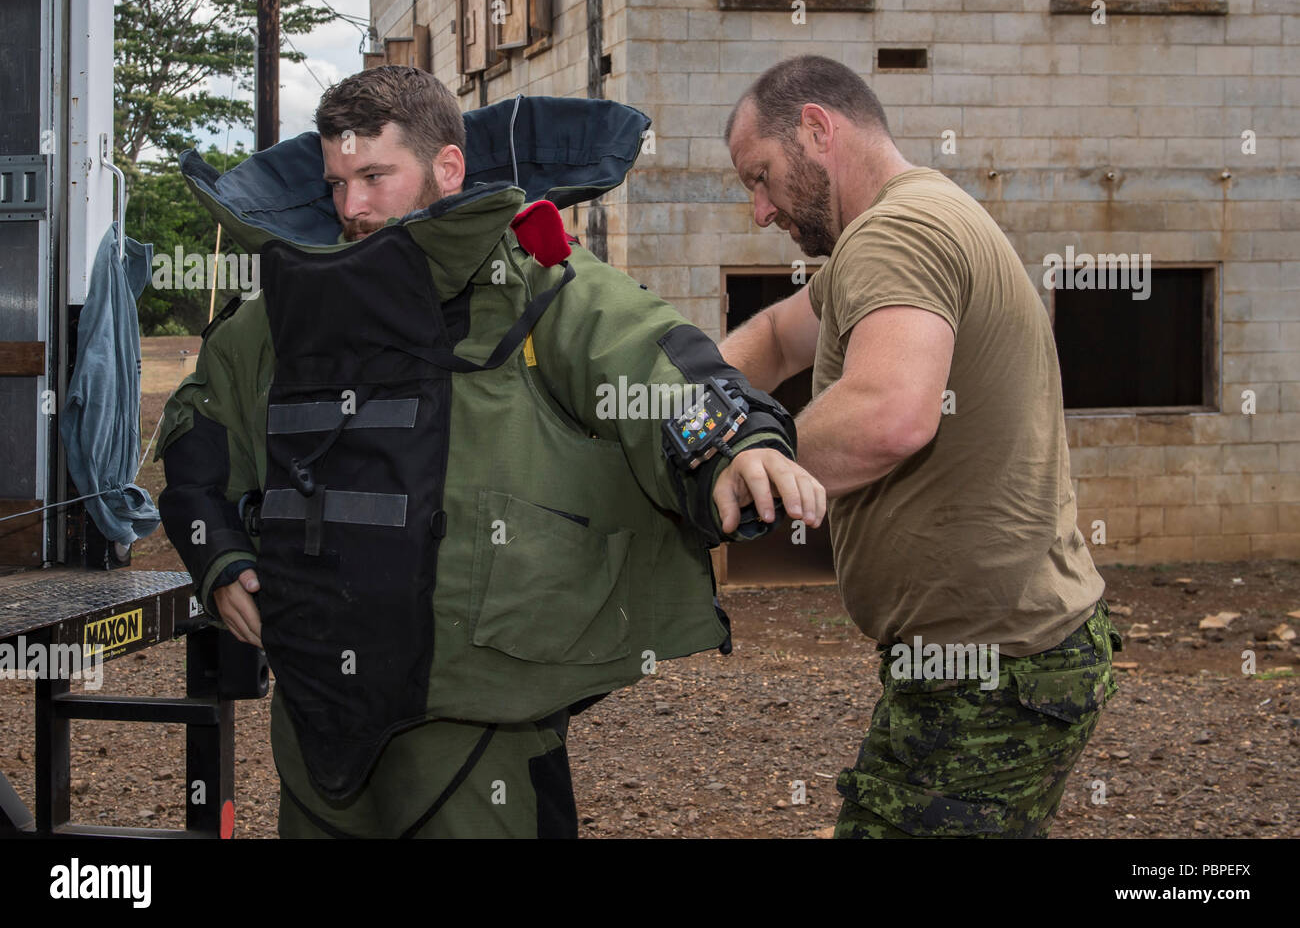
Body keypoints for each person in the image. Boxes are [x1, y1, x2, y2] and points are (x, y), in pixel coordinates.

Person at [156, 65, 826, 838]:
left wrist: (736, 443)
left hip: (480, 722)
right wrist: (219, 559)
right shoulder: (282, 309)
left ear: (447, 168)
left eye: (376, 175)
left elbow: (646, 356)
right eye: (338, 182)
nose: (353, 207)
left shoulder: (534, 281)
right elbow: (198, 436)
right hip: (314, 716)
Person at [721, 55, 1121, 838]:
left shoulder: (899, 233)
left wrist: (732, 466)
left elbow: (890, 416)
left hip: (995, 673)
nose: (761, 211)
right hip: (995, 660)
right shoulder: (910, 221)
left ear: (816, 129)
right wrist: (683, 404)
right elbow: (772, 336)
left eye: (760, 177)